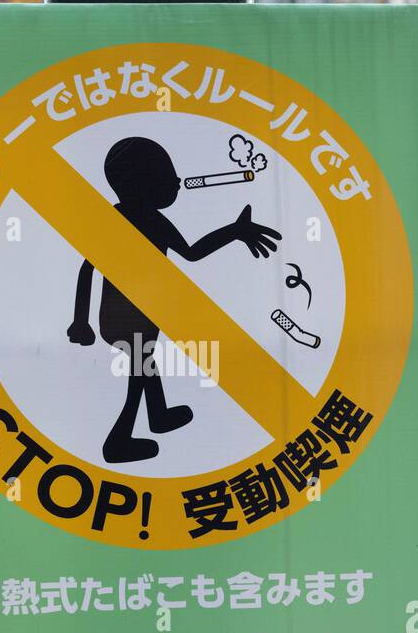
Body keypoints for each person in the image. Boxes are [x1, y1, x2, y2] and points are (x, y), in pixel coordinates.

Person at [67, 136, 282, 463]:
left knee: (147, 362)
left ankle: (159, 415)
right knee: (138, 374)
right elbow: (91, 267)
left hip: (136, 314)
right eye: (166, 176)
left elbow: (89, 269)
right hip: (127, 318)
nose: (177, 181)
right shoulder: (146, 220)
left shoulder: (127, 217)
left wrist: (235, 231)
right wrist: (79, 322)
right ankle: (118, 441)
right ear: (142, 183)